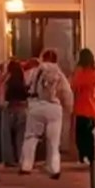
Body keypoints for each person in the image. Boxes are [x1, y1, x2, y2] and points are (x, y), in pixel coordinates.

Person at [19, 48, 73, 179]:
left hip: (36, 105)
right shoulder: (59, 73)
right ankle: (54, 168)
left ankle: (26, 165)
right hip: (54, 108)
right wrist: (69, 108)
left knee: (31, 137)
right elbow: (67, 93)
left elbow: (26, 83)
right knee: (53, 141)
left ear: (42, 58)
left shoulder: (35, 71)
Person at [71, 48, 95, 166]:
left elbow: (75, 85)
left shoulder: (81, 71)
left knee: (80, 135)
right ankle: (90, 157)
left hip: (81, 107)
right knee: (89, 135)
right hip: (92, 108)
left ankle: (84, 156)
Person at [0, 60, 29, 167]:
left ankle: (9, 159)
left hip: (9, 108)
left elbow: (2, 97)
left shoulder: (7, 80)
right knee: (21, 137)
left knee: (6, 136)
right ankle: (22, 158)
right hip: (22, 108)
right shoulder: (22, 80)